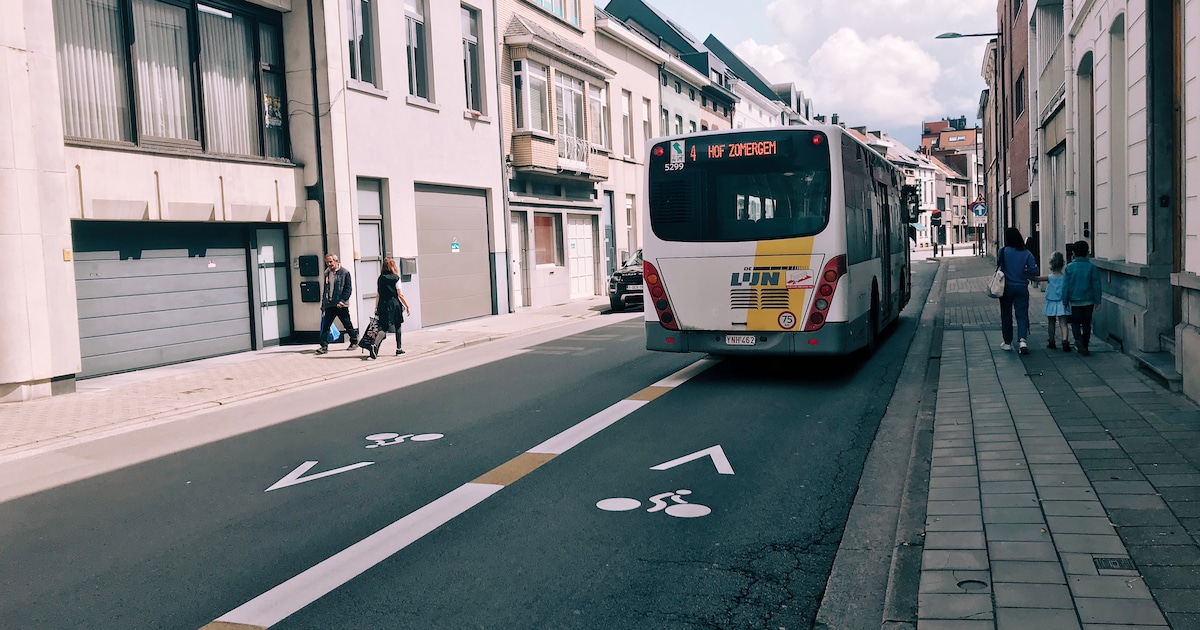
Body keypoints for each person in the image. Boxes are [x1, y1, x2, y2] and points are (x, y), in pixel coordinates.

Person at [997, 227, 1040, 354]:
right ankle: (1022, 341)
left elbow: (1000, 265)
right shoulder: (1026, 253)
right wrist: (1024, 271)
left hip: (1006, 288)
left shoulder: (1003, 251)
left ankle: (1007, 342)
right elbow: (1034, 271)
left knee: (1006, 315)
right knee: (1022, 314)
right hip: (1021, 287)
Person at [1062, 240, 1102, 356]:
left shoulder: (1069, 268)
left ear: (1073, 253)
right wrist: (1097, 300)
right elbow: (1096, 285)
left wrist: (1065, 300)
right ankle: (1085, 343)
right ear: (1087, 252)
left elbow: (1065, 286)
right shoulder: (1092, 267)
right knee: (1086, 323)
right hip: (1088, 300)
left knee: (1075, 322)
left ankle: (1078, 339)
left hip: (1075, 301)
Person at [316, 253, 357, 355]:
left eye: (331, 262)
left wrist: (343, 301)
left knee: (347, 324)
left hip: (341, 304)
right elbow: (325, 290)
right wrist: (323, 304)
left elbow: (348, 289)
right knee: (326, 325)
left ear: (336, 261)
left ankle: (354, 341)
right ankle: (324, 346)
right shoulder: (327, 273)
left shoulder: (345, 272)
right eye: (327, 262)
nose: (329, 264)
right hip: (330, 304)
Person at [373, 257, 411, 358]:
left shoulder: (380, 278)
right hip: (394, 304)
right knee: (397, 325)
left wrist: (376, 308)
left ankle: (375, 345)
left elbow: (378, 294)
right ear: (393, 266)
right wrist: (407, 306)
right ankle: (399, 348)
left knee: (384, 327)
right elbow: (400, 294)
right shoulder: (396, 278)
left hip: (382, 304)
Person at [1036, 251, 1072, 351]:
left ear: (1051, 264)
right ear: (1062, 263)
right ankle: (1065, 340)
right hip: (1062, 302)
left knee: (1051, 322)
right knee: (1063, 323)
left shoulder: (1049, 277)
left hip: (1051, 302)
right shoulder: (1065, 277)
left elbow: (1036, 279)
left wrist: (1026, 274)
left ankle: (1051, 341)